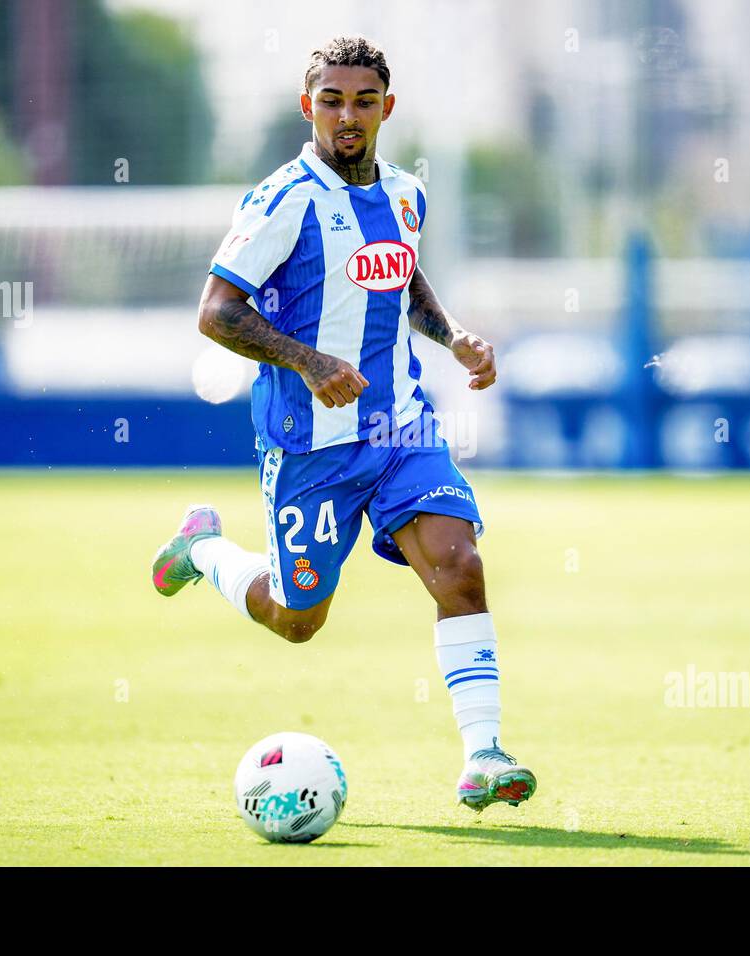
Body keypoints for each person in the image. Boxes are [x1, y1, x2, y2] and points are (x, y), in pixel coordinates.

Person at [151, 35, 534, 812]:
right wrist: (309, 362)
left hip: (399, 430)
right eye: (332, 100)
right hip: (310, 446)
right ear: (309, 106)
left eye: (363, 102)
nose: (347, 116)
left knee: (459, 565)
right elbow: (216, 312)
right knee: (298, 622)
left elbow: (405, 274)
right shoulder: (281, 200)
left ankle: (483, 755)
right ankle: (206, 548)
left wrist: (453, 335)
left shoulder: (405, 193)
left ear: (386, 109)